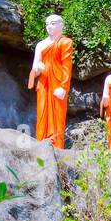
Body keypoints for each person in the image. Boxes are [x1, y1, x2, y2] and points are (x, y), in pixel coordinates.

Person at [30, 14, 73, 147]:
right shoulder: (41, 45)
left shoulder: (65, 42)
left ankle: (56, 144)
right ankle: (41, 140)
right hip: (43, 83)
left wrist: (63, 87)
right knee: (42, 111)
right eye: (47, 24)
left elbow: (67, 67)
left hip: (58, 83)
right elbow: (33, 72)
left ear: (61, 25)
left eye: (53, 23)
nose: (49, 26)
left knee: (57, 114)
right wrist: (38, 69)